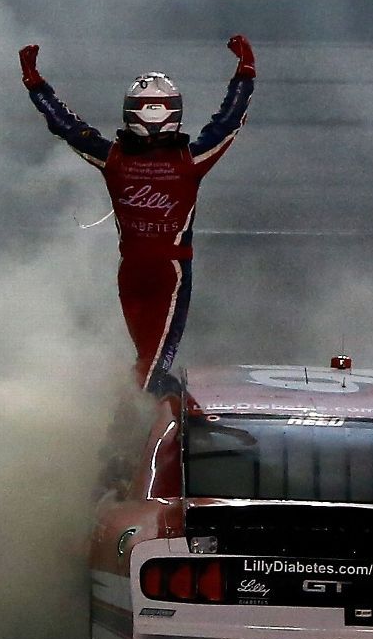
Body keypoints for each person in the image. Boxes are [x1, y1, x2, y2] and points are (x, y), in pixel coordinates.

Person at [20, 36, 255, 396]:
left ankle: (136, 426)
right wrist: (245, 73)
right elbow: (228, 122)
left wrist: (36, 85)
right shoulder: (188, 162)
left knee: (148, 362)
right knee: (152, 368)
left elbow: (66, 126)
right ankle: (124, 433)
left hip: (130, 272)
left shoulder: (114, 160)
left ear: (130, 112)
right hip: (170, 275)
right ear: (175, 113)